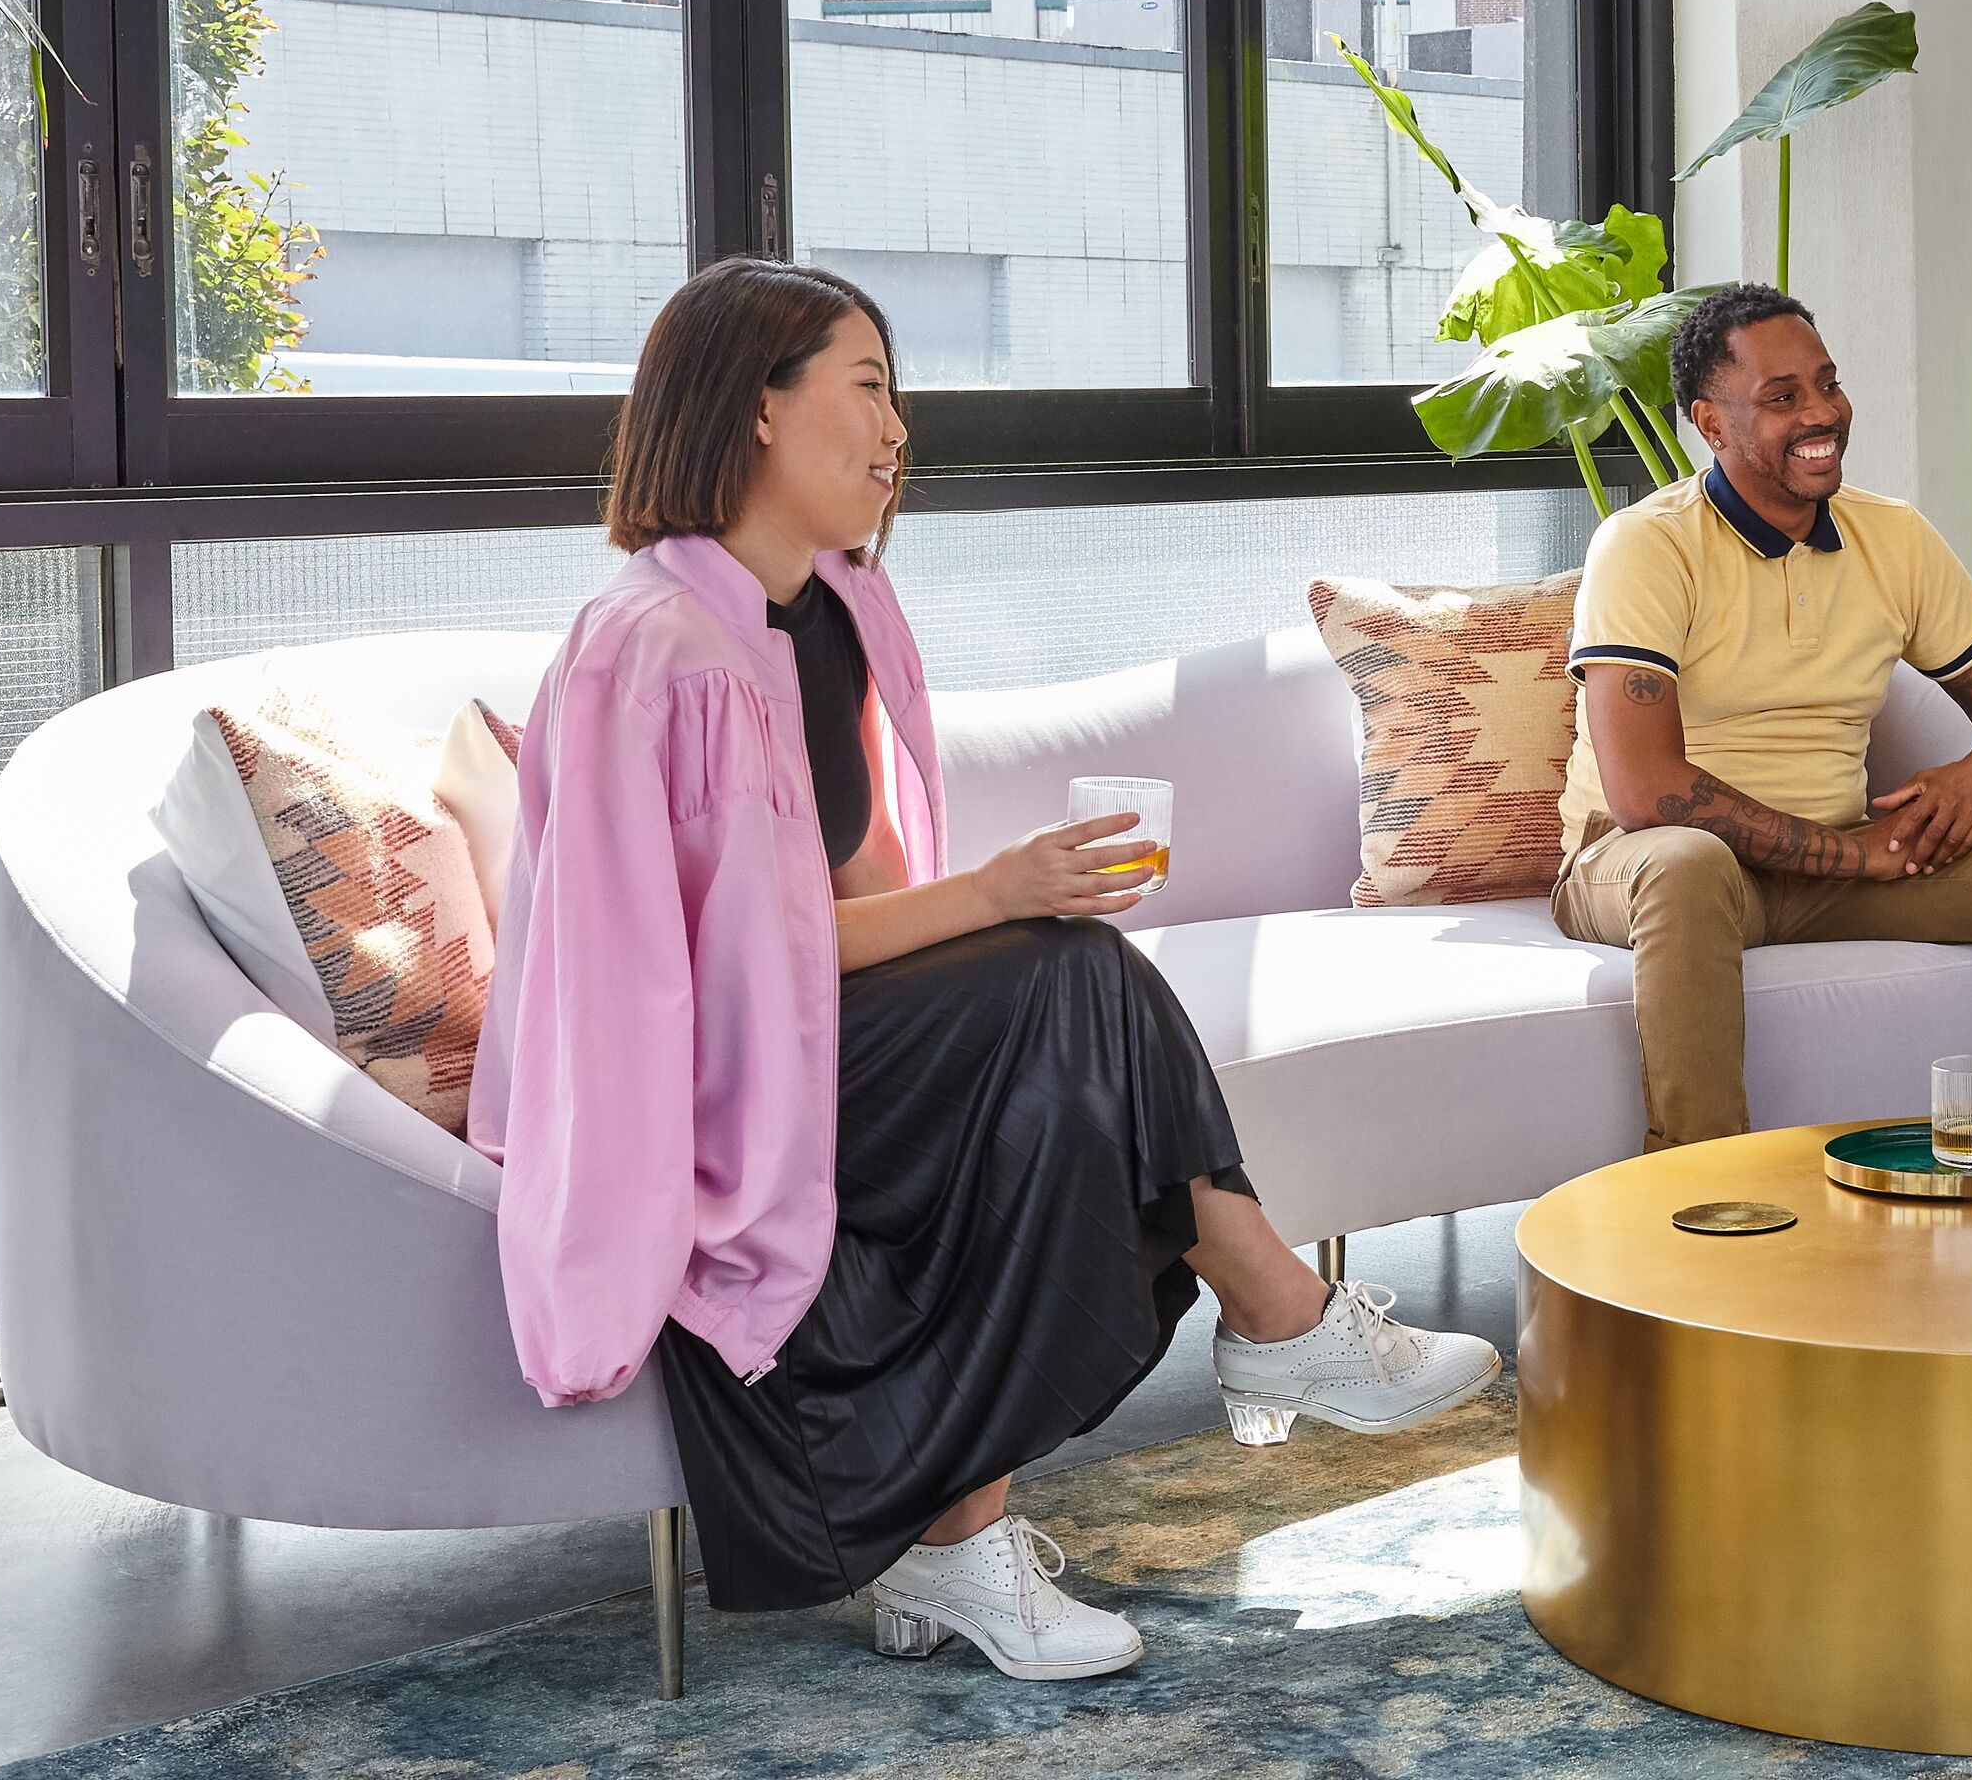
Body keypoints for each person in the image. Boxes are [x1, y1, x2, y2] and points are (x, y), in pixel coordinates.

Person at [470, 258, 1498, 1680]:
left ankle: (969, 1539)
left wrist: (1004, 925)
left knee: (1060, 1029)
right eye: (868, 388)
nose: (899, 430)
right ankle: (1274, 1319)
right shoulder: (653, 648)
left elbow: (862, 889)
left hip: (815, 1044)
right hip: (695, 1085)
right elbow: (716, 979)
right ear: (757, 408)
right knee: (1068, 983)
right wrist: (1005, 901)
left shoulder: (832, 608)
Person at [1554, 284, 1972, 1147]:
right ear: (1711, 425)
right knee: (1688, 863)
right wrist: (1854, 854)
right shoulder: (1649, 544)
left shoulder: (1892, 537)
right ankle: (1705, 1198)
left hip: (1833, 863)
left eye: (1827, 384)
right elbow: (1648, 793)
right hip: (1641, 863)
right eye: (1782, 397)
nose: (1822, 413)